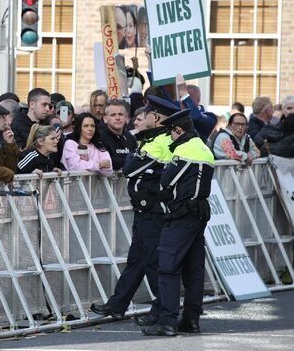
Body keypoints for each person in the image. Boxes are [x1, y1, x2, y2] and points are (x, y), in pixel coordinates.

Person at [90, 95, 178, 324]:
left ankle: (162, 311)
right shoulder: (152, 138)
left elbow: (129, 167)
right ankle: (118, 304)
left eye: (145, 115)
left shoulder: (157, 141)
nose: (140, 118)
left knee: (152, 262)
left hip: (154, 208)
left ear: (156, 117)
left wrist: (130, 157)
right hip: (146, 208)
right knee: (138, 259)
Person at [142, 109, 215, 336]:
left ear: (177, 130)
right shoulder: (205, 148)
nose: (170, 137)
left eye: (170, 133)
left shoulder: (183, 150)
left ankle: (168, 322)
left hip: (181, 216)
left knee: (168, 269)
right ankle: (191, 321)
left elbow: (166, 182)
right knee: (194, 270)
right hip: (199, 214)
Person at [174, 75, 217, 142]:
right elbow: (162, 99)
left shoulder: (210, 117)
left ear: (198, 100)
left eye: (188, 98)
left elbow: (196, 117)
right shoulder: (177, 107)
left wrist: (184, 94)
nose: (183, 101)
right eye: (181, 97)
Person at [99, 99, 137, 170]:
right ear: (105, 119)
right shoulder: (99, 137)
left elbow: (137, 159)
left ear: (126, 117)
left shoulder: (131, 137)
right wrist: (130, 160)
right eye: (113, 115)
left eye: (121, 114)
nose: (118, 118)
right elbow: (106, 161)